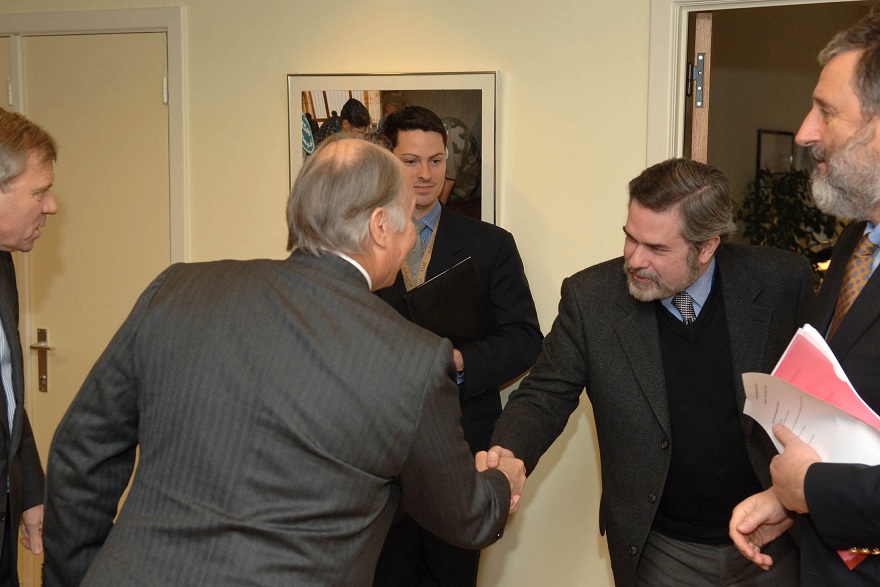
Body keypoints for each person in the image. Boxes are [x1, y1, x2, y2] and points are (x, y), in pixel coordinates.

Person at [42, 137, 525, 587]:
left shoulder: (177, 290)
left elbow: (81, 452)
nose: (411, 240)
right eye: (406, 223)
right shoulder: (413, 361)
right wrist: (501, 482)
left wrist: (80, 576)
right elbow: (466, 517)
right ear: (381, 228)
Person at [486, 158, 815, 587]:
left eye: (657, 249)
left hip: (776, 536)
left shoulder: (781, 282)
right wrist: (508, 455)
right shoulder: (592, 299)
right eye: (630, 237)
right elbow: (544, 394)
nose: (635, 260)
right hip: (662, 548)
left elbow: (824, 389)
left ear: (707, 247)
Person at [730, 11, 880, 586]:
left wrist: (813, 488)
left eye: (827, 111)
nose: (804, 132)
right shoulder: (855, 240)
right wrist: (787, 500)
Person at [372, 106, 542, 587]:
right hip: (379, 455)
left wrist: (460, 362)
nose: (425, 175)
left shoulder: (491, 244)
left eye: (436, 160)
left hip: (462, 448)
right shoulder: (361, 244)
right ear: (388, 161)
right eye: (410, 161)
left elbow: (525, 339)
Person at [0, 108, 56, 587]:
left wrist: (30, 489)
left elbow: (7, 391)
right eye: (39, 192)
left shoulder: (4, 265)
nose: (51, 206)